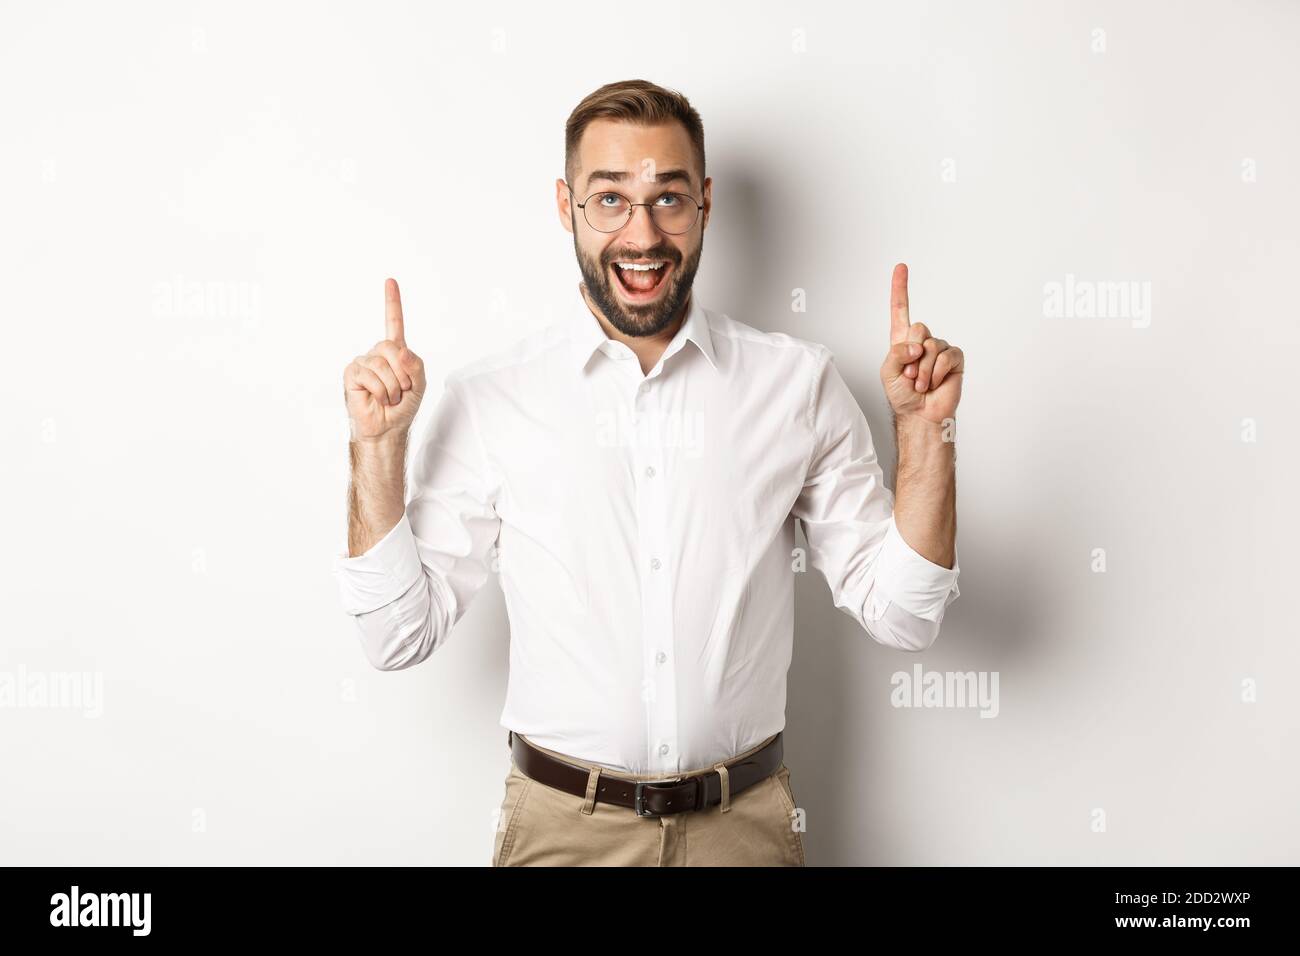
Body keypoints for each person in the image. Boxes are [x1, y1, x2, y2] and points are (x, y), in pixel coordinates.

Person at [333, 79, 964, 866]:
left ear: (704, 204)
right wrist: (378, 448)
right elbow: (397, 636)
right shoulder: (491, 399)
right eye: (609, 200)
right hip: (563, 833)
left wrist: (924, 431)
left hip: (747, 831)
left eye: (668, 198)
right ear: (566, 207)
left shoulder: (795, 385)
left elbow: (904, 617)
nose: (642, 233)